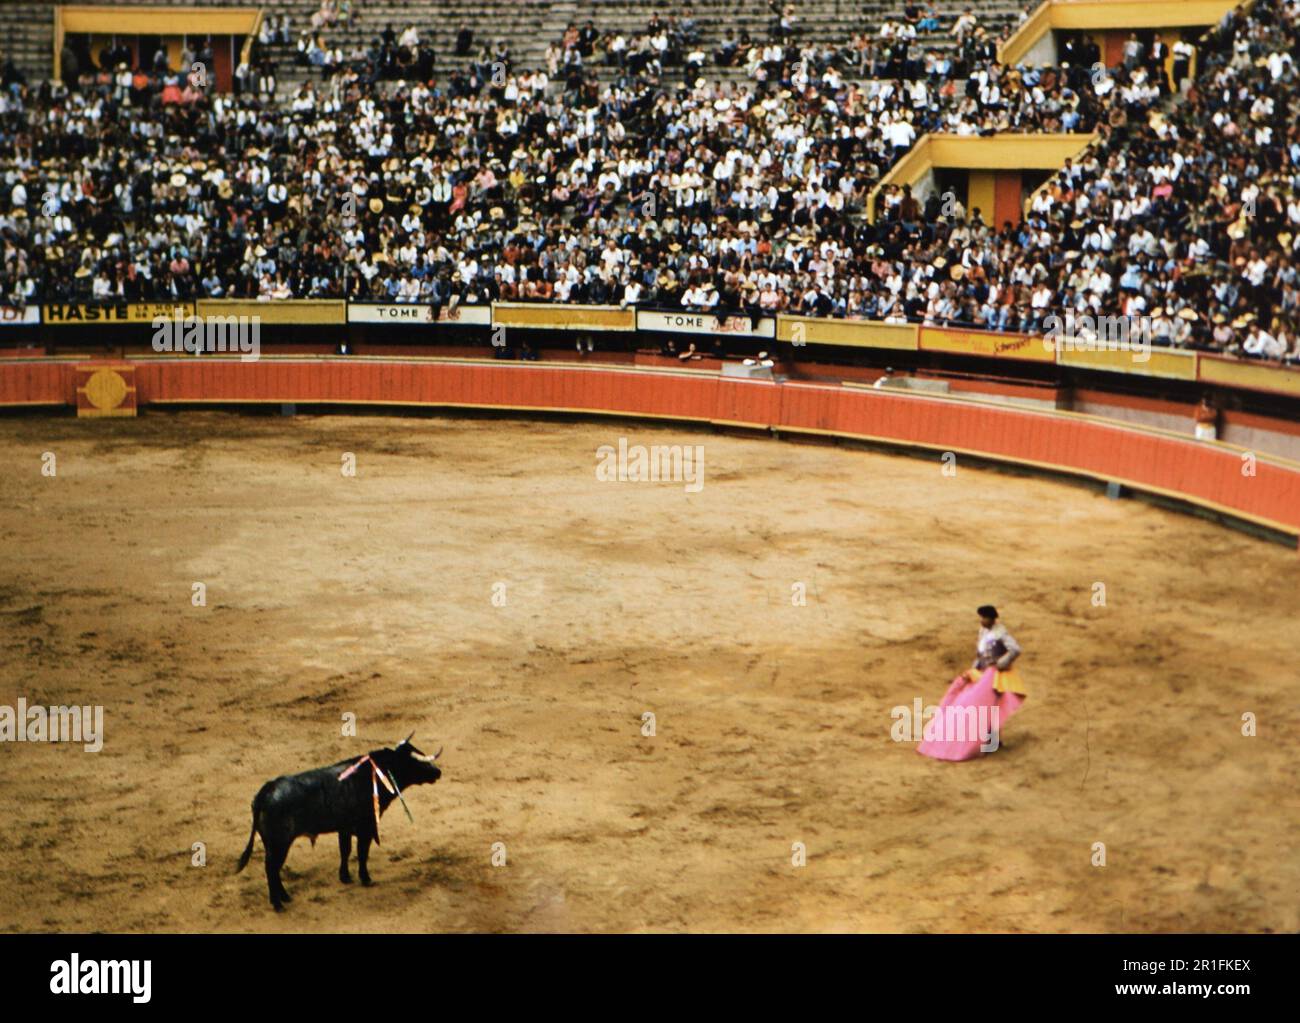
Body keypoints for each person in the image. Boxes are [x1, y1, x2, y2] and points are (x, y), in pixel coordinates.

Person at [917, 605, 1026, 761]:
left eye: (985, 618)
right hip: (983, 674)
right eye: (981, 617)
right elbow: (981, 655)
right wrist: (974, 669)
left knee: (988, 707)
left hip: (995, 675)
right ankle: (992, 742)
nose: (982, 621)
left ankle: (993, 742)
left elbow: (1015, 649)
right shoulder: (983, 632)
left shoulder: (1001, 633)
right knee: (987, 707)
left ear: (993, 619)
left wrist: (1001, 663)